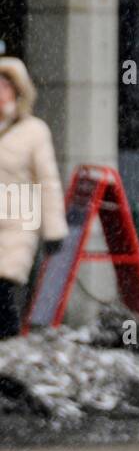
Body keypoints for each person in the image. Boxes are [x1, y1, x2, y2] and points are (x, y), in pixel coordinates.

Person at [0, 57, 68, 341]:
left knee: (3, 290)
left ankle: (11, 355)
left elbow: (48, 182)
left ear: (17, 90)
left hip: (18, 221)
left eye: (5, 85)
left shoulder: (34, 131)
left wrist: (54, 230)